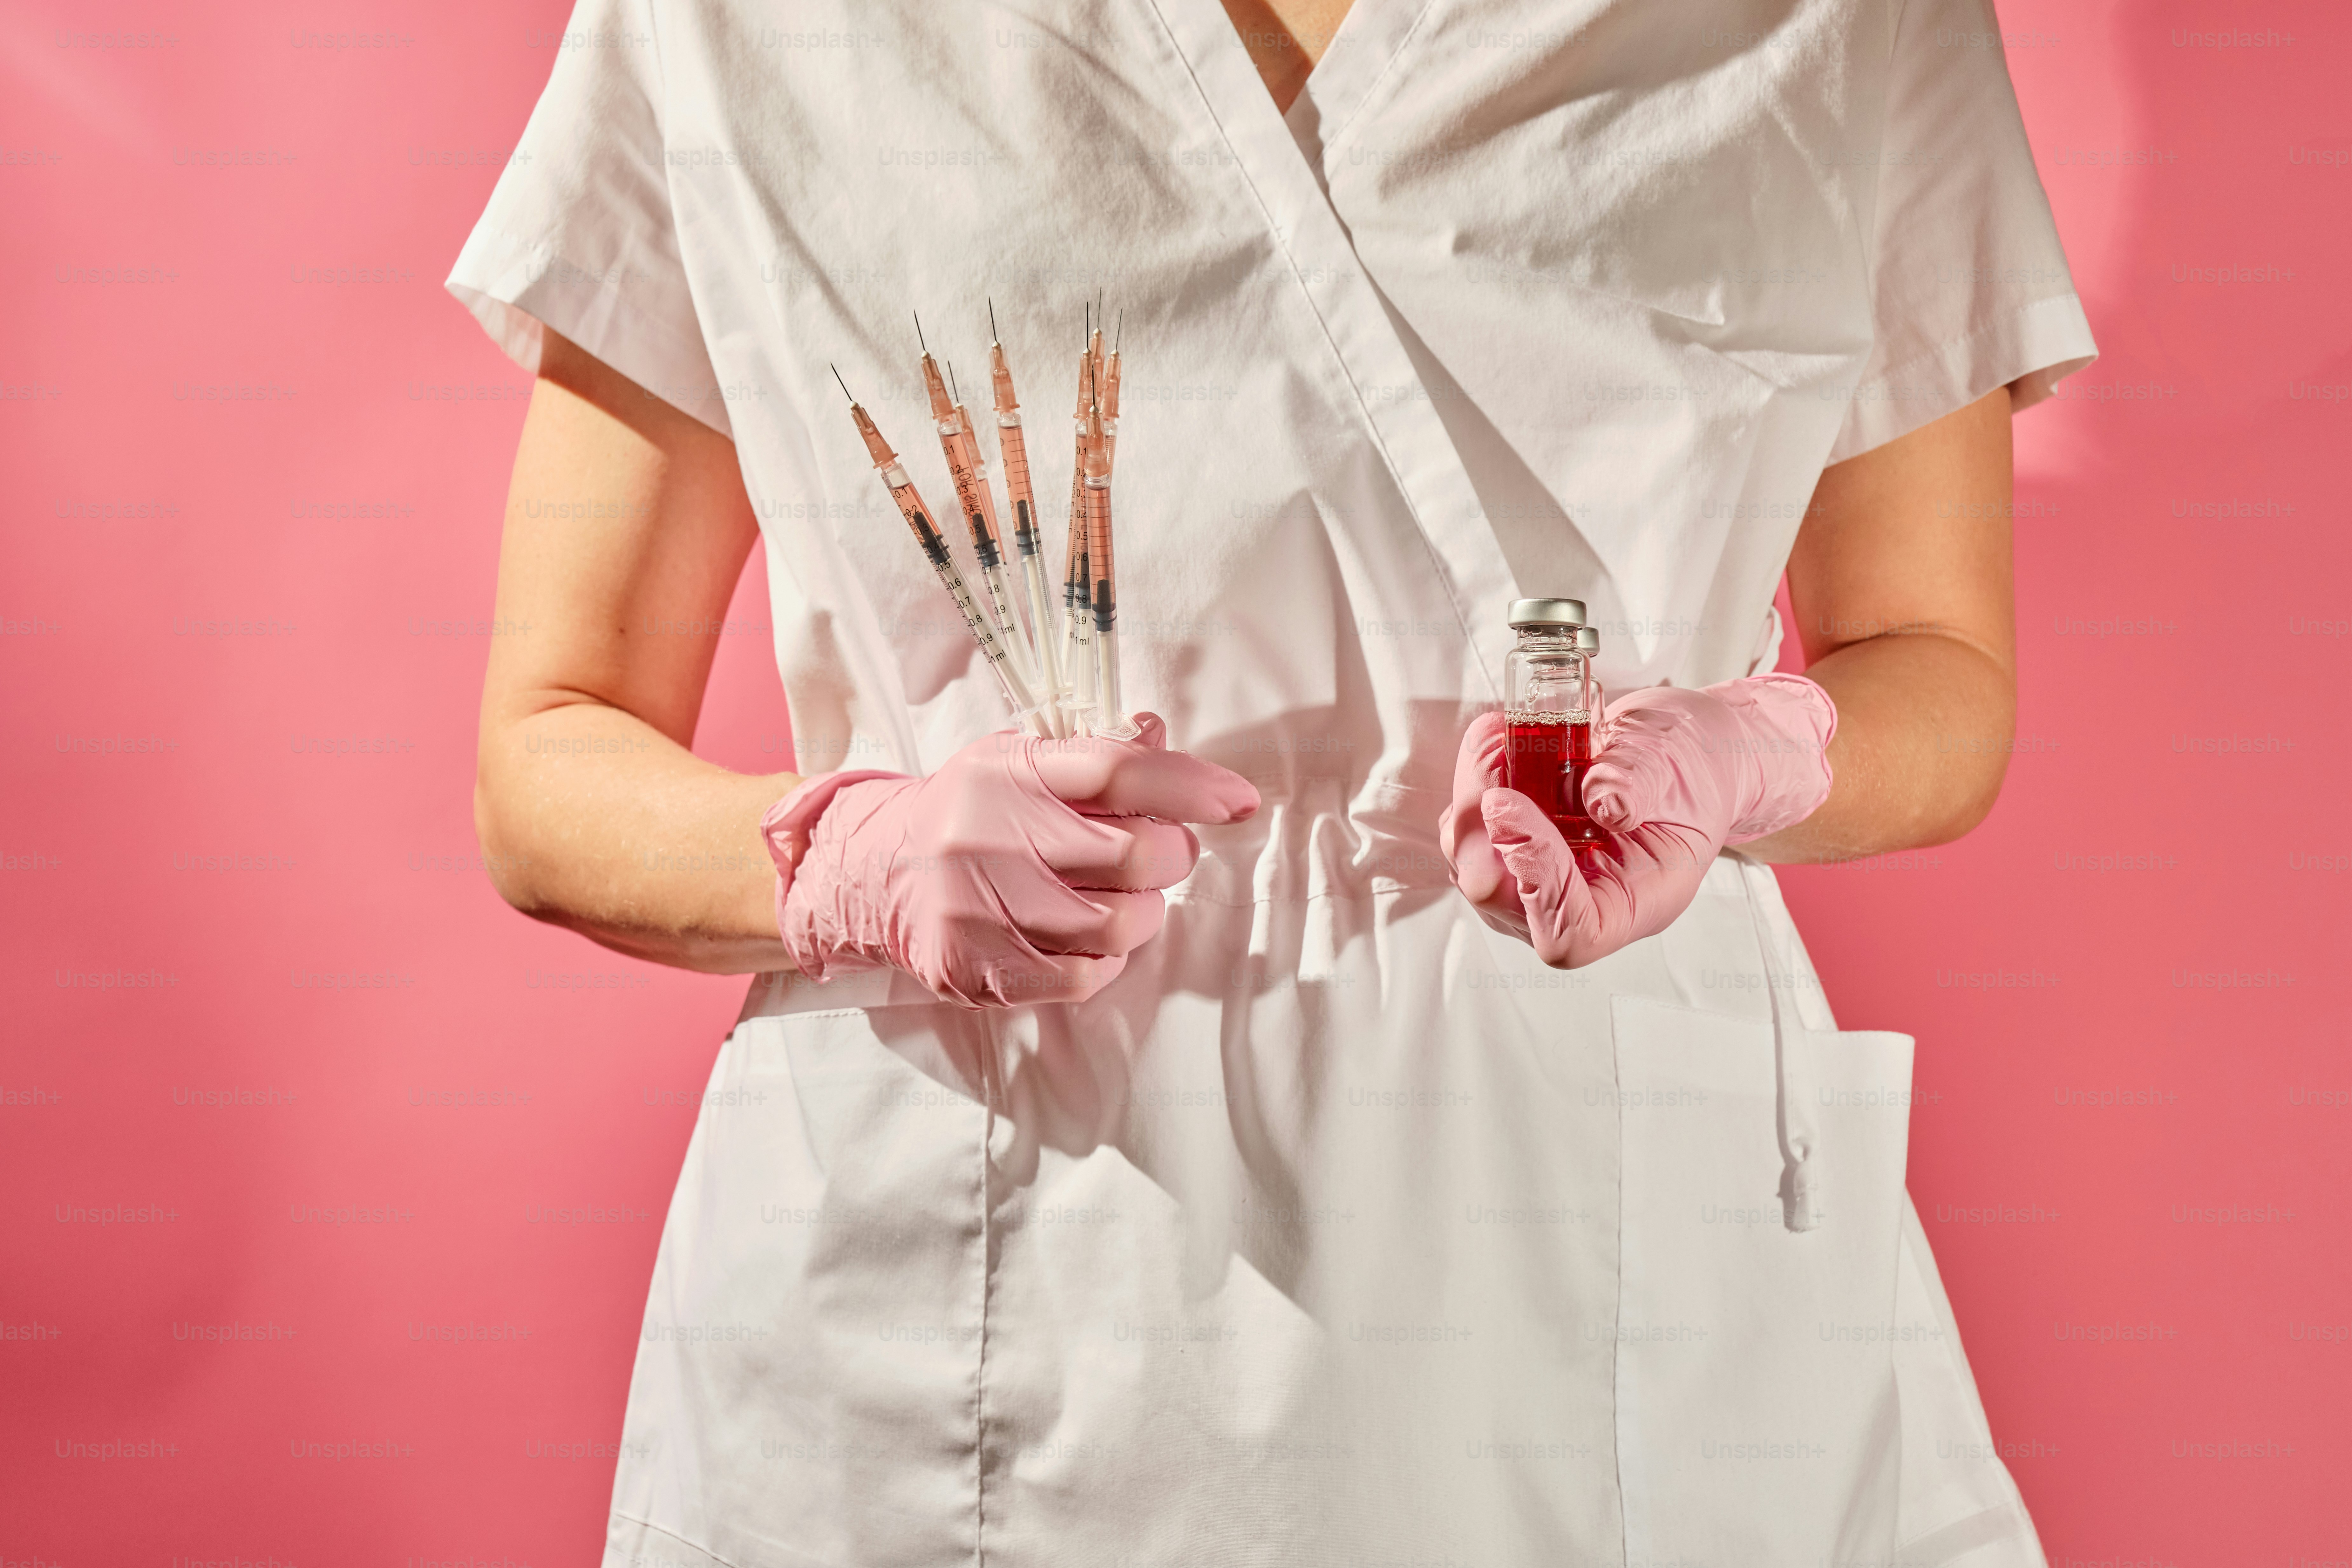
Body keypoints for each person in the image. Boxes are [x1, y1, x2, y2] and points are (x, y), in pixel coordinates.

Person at [450, 0, 2094, 1562]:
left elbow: (1937, 661)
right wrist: (839, 861)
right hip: (986, 1273)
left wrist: (1755, 754)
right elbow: (549, 744)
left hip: (1616, 1243)